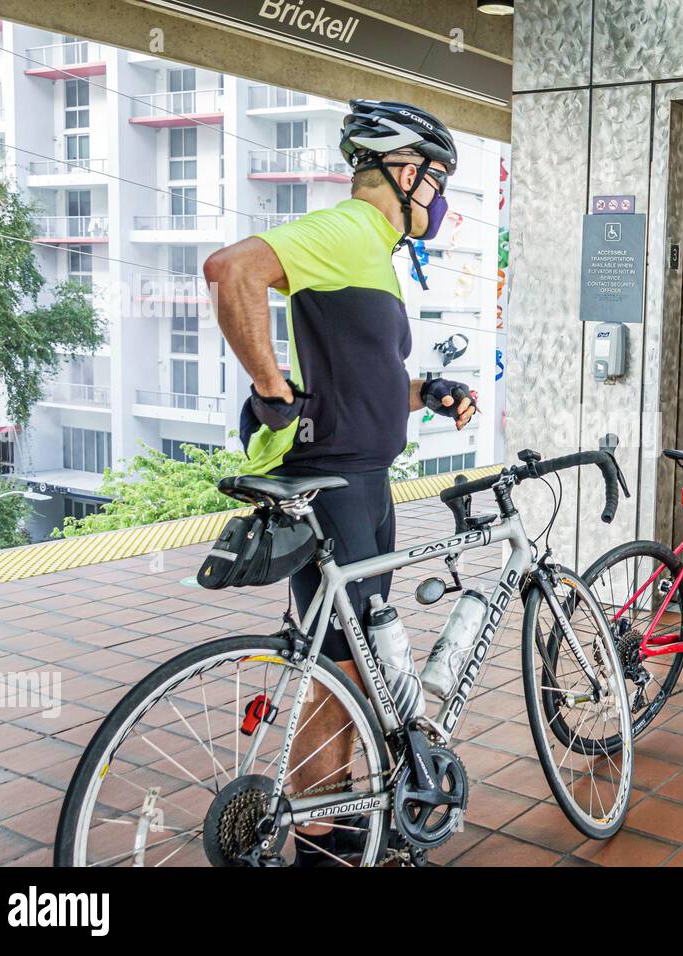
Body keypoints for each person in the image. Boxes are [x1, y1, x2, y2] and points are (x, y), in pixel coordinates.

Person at [204, 101, 477, 861]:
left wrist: (426, 391)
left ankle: (333, 818)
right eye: (440, 179)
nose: (442, 198)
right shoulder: (350, 229)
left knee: (345, 663)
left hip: (362, 480)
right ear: (408, 172)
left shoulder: (371, 253)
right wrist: (270, 383)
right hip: (337, 485)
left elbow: (364, 376)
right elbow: (232, 270)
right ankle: (320, 833)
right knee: (345, 668)